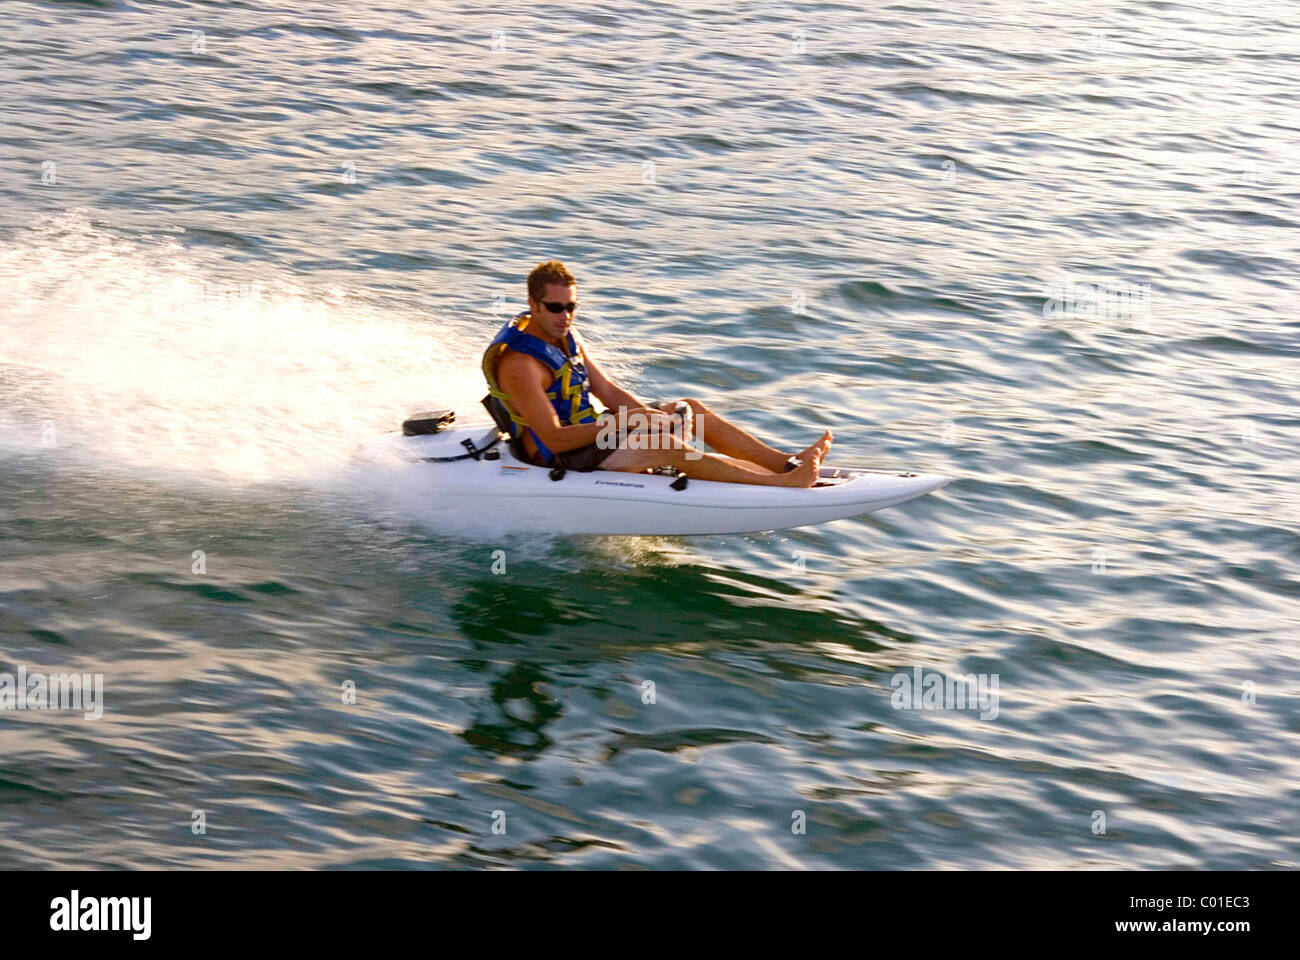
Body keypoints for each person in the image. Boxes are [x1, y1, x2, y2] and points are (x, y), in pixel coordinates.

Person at [481, 260, 832, 487]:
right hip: (558, 454)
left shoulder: (565, 335)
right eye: (555, 308)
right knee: (664, 446)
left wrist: (646, 417)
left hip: (592, 433)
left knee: (688, 410)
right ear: (533, 305)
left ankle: (785, 463)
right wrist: (625, 424)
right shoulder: (520, 366)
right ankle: (781, 486)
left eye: (571, 306)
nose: (565, 316)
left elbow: (607, 390)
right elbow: (555, 439)